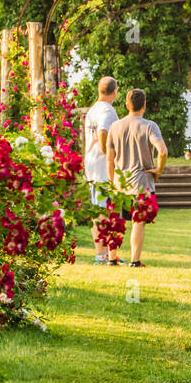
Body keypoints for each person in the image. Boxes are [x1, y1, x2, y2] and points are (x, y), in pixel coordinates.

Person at [107, 88, 168, 268]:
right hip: (141, 183)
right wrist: (159, 170)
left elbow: (110, 158)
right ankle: (134, 261)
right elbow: (162, 151)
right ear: (145, 105)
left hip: (119, 182)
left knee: (116, 222)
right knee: (138, 222)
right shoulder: (149, 126)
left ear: (127, 105)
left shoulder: (115, 126)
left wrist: (112, 182)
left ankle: (112, 258)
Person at [83, 76, 121, 265]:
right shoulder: (107, 110)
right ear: (115, 92)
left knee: (98, 208)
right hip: (101, 166)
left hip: (91, 164)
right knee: (104, 210)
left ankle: (104, 253)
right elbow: (103, 132)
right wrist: (109, 155)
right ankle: (103, 255)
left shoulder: (92, 110)